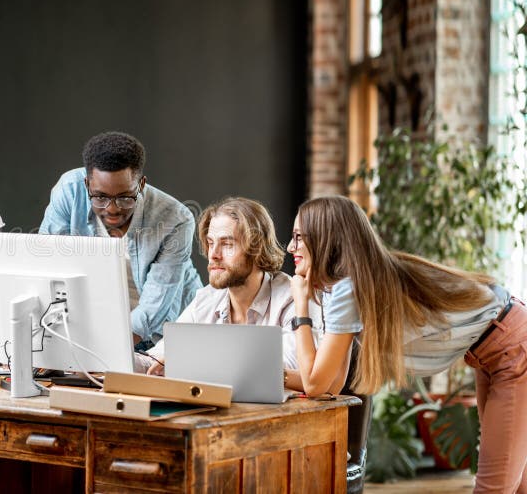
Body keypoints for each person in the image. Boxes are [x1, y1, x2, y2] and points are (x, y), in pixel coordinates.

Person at [285, 195, 526, 493]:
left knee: (494, 487)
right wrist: (274, 376)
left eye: (298, 237)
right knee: (514, 484)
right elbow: (332, 384)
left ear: (325, 239)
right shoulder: (344, 287)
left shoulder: (349, 288)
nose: (290, 247)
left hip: (514, 349)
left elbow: (315, 384)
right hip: (495, 347)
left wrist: (300, 307)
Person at [39, 131, 202, 348]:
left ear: (141, 185)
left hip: (161, 332)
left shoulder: (176, 219)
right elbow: (46, 266)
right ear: (87, 184)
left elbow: (154, 308)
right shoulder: (69, 192)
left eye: (125, 197)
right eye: (100, 197)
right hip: (98, 328)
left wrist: (106, 352)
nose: (113, 209)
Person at [140, 197, 322, 375]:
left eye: (227, 244)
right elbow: (156, 357)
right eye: (211, 243)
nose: (213, 255)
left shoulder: (294, 297)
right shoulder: (206, 299)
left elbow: (291, 366)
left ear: (256, 247)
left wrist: (191, 356)